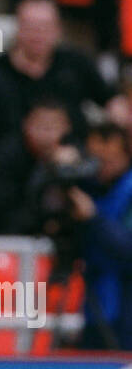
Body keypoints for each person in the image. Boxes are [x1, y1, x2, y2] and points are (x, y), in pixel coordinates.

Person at [0, 0, 113, 164]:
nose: (38, 34)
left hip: (72, 161)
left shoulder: (76, 64)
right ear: (18, 28)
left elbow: (110, 101)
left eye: (45, 27)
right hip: (7, 165)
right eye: (31, 26)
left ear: (58, 30)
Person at [71, 123, 132, 351]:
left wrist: (93, 218)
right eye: (96, 159)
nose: (101, 166)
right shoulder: (89, 186)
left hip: (124, 309)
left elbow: (128, 249)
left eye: (110, 160)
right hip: (96, 303)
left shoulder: (129, 189)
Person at [0, 97, 74, 234]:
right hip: (5, 234)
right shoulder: (5, 155)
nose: (46, 134)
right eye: (41, 125)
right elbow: (0, 207)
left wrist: (69, 170)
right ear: (25, 124)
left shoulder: (75, 156)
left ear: (67, 128)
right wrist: (46, 169)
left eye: (53, 127)